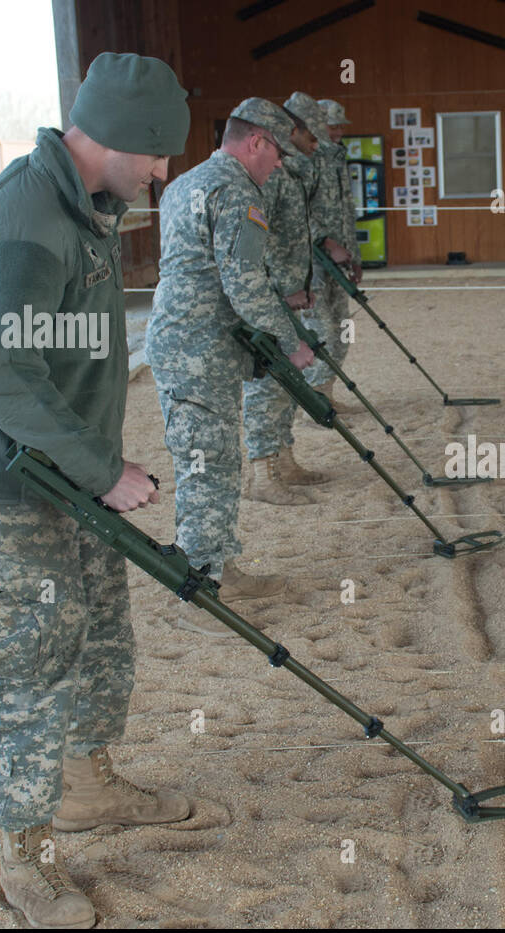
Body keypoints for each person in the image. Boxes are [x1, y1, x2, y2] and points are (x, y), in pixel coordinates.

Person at [0, 52, 192, 929]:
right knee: (29, 665)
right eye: (158, 155)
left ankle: (86, 786)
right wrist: (103, 469)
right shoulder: (26, 222)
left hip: (68, 477)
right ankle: (26, 858)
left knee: (100, 638)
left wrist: (94, 466)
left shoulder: (84, 209)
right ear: (120, 135)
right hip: (13, 491)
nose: (163, 175)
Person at [145, 97, 314, 636]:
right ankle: (199, 593)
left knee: (215, 460)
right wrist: (291, 342)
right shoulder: (237, 190)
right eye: (277, 152)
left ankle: (221, 569)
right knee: (205, 466)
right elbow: (244, 283)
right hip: (199, 350)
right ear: (256, 142)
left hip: (189, 345)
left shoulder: (184, 184)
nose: (280, 164)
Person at [240, 102, 329, 504]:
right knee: (267, 382)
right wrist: (284, 286)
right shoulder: (262, 180)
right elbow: (262, 245)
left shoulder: (285, 170)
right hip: (270, 296)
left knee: (287, 384)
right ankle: (263, 472)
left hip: (288, 293)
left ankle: (284, 457)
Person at [291, 91, 363, 414]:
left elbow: (348, 212)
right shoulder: (307, 161)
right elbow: (298, 212)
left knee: (342, 332)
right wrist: (324, 242)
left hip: (339, 264)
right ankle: (314, 402)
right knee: (322, 332)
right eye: (332, 126)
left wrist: (355, 256)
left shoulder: (337, 158)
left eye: (340, 128)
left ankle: (325, 393)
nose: (337, 133)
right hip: (314, 266)